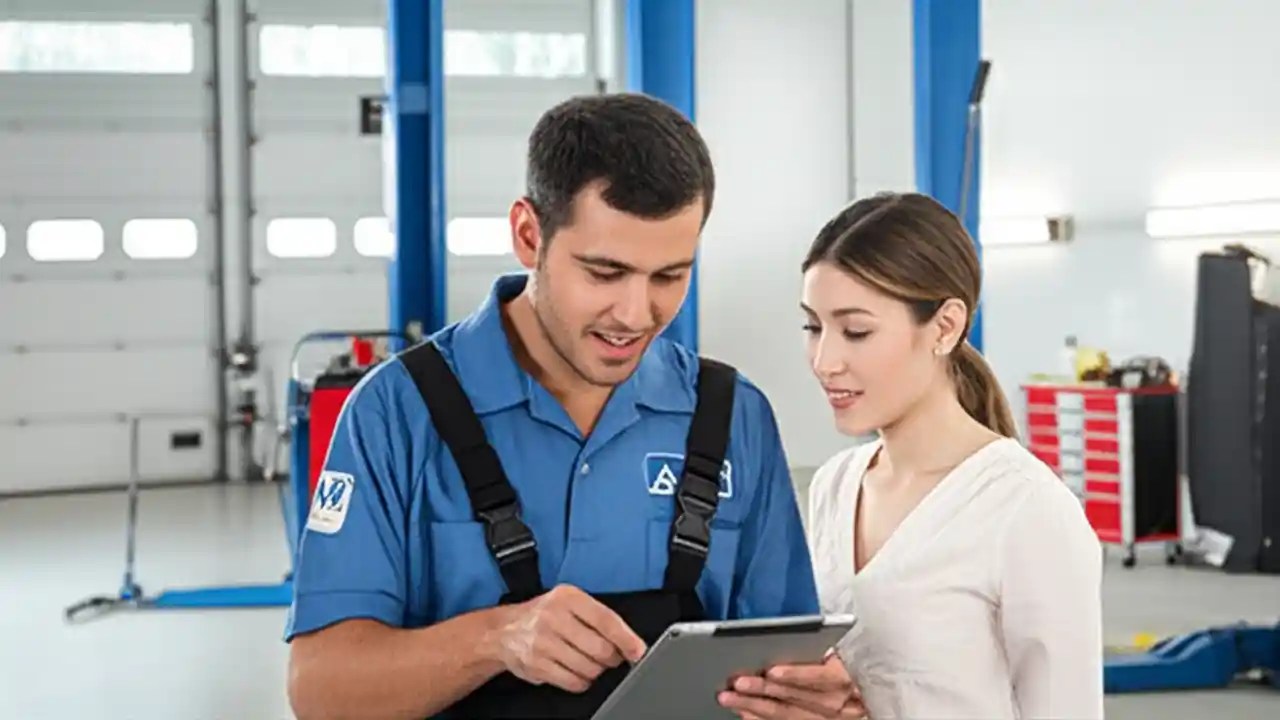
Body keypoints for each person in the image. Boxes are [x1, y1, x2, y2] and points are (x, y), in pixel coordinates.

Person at [283, 92, 837, 720]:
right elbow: (321, 690)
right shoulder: (395, 415)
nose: (635, 315)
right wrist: (495, 640)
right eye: (604, 273)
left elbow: (785, 667)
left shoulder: (734, 419)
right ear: (528, 234)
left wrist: (811, 698)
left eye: (668, 276)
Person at [717, 192, 1104, 720]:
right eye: (813, 327)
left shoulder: (1027, 509)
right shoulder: (836, 484)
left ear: (944, 327)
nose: (826, 360)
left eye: (856, 331)